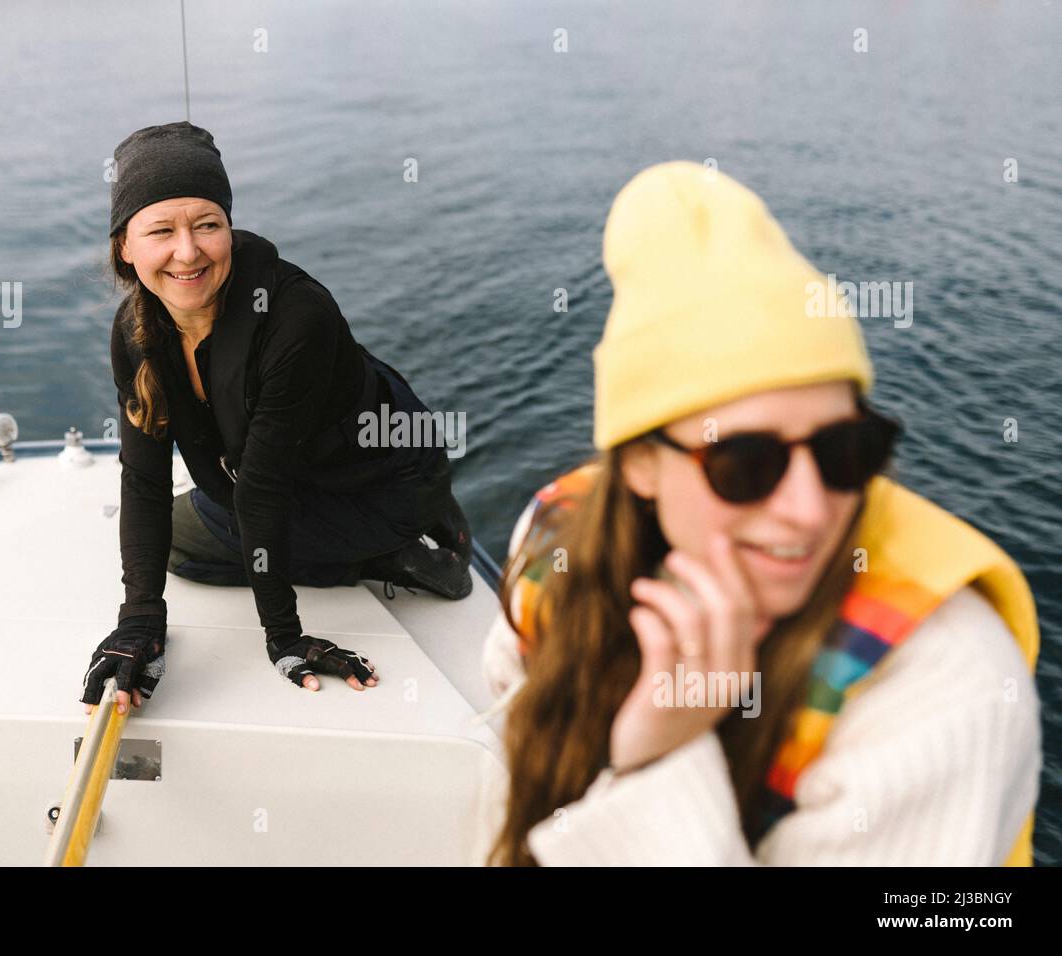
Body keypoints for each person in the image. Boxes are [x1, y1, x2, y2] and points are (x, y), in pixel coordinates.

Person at [483, 161, 1041, 866]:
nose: (808, 511)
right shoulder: (549, 552)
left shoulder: (944, 683)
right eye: (746, 466)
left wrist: (662, 764)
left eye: (845, 451)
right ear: (640, 464)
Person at [81, 122, 472, 714]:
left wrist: (284, 639)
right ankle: (361, 554)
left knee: (197, 539)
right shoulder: (137, 331)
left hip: (378, 484)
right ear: (124, 247)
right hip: (289, 482)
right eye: (161, 230)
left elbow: (260, 489)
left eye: (207, 225)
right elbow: (143, 479)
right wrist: (139, 625)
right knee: (175, 551)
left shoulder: (294, 315)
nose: (187, 251)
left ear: (229, 231)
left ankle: (389, 548)